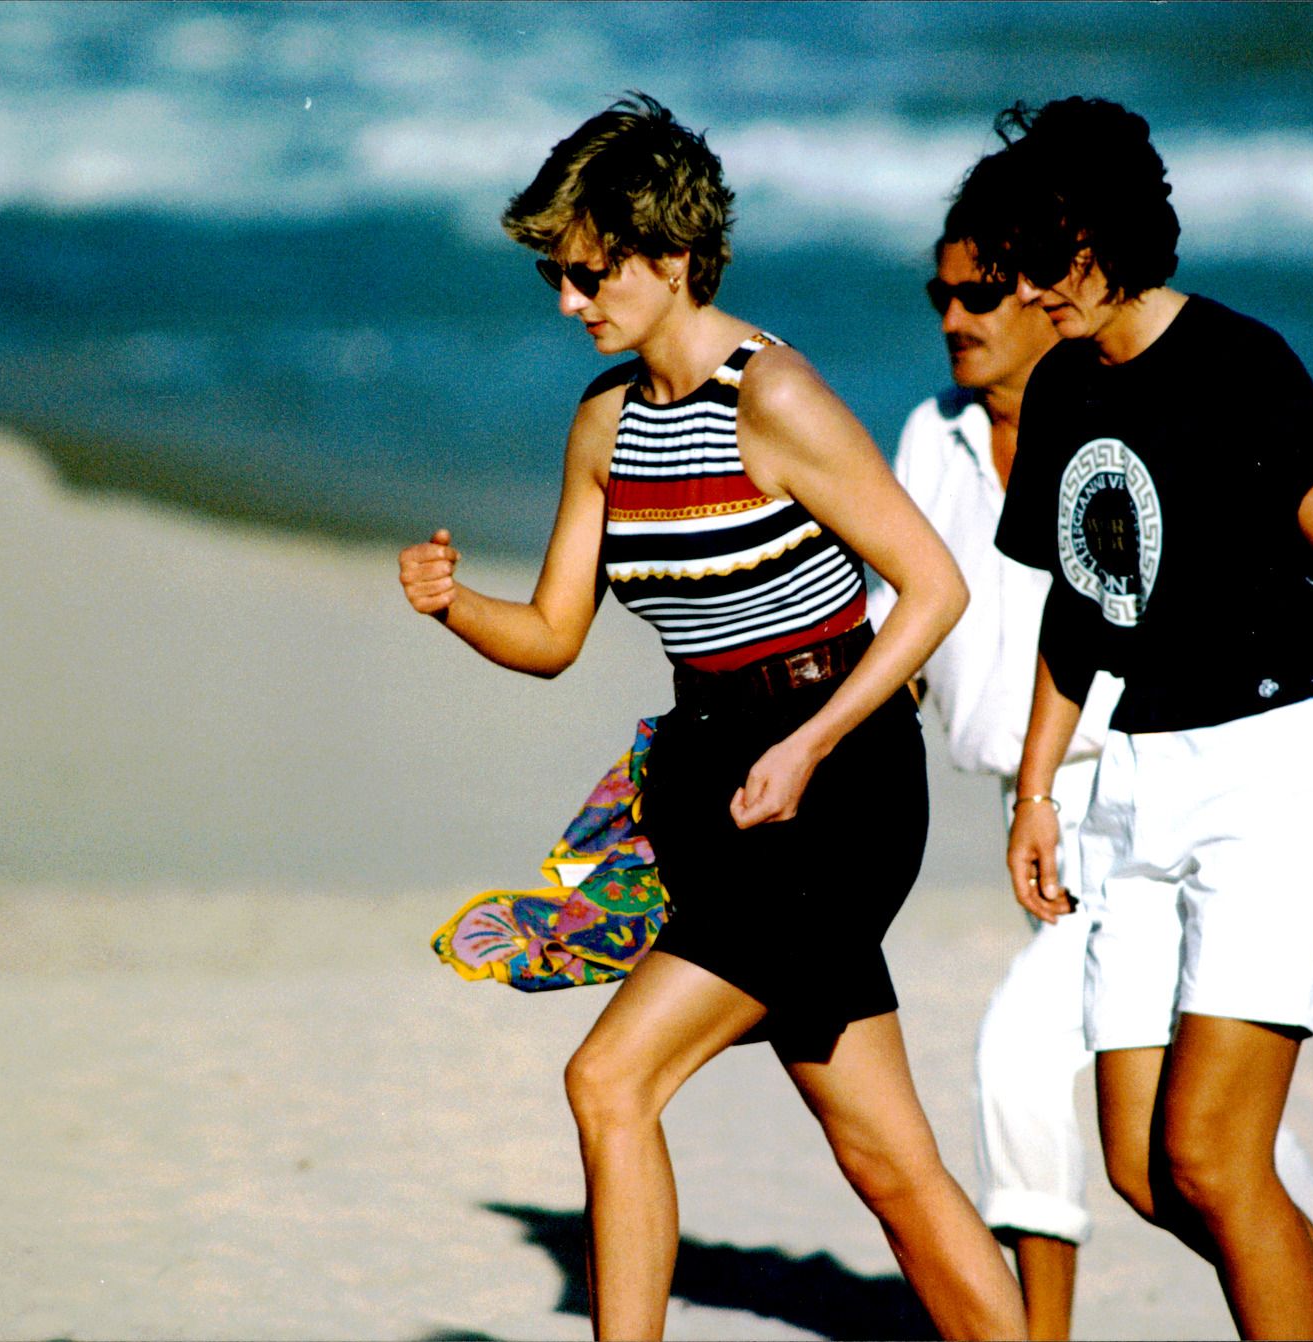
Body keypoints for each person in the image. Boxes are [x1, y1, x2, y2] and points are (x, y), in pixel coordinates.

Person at [397, 94, 1027, 1342]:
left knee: (608, 1077)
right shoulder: (604, 424)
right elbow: (553, 636)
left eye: (586, 275)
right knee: (886, 1160)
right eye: (554, 277)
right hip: (708, 786)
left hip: (831, 787)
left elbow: (932, 587)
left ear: (671, 258)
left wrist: (806, 742)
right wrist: (454, 604)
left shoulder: (776, 397)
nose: (568, 304)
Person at [960, 97, 1313, 1339]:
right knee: (1145, 1169)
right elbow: (1075, 609)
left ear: (1104, 242)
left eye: (1043, 265)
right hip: (1132, 780)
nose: (1028, 293)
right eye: (1014, 268)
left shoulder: (1239, 366)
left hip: (1268, 765)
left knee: (1215, 1157)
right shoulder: (1058, 389)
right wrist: (1038, 791)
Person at [869, 213, 1313, 1340]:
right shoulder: (936, 436)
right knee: (1178, 1163)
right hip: (1078, 819)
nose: (958, 317)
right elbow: (944, 627)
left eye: (986, 291)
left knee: (1133, 1118)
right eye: (939, 295)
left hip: (1194, 776)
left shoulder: (1176, 394)